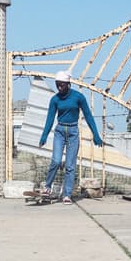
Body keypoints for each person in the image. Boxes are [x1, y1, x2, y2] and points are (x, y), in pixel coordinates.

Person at [38, 71, 103, 205]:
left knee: (70, 166)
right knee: (56, 161)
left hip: (73, 131)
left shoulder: (78, 97)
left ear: (68, 84)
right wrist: (44, 135)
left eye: (62, 85)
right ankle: (47, 187)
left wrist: (95, 134)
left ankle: (67, 195)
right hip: (60, 131)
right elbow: (50, 118)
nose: (59, 88)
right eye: (57, 85)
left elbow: (88, 116)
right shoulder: (55, 99)